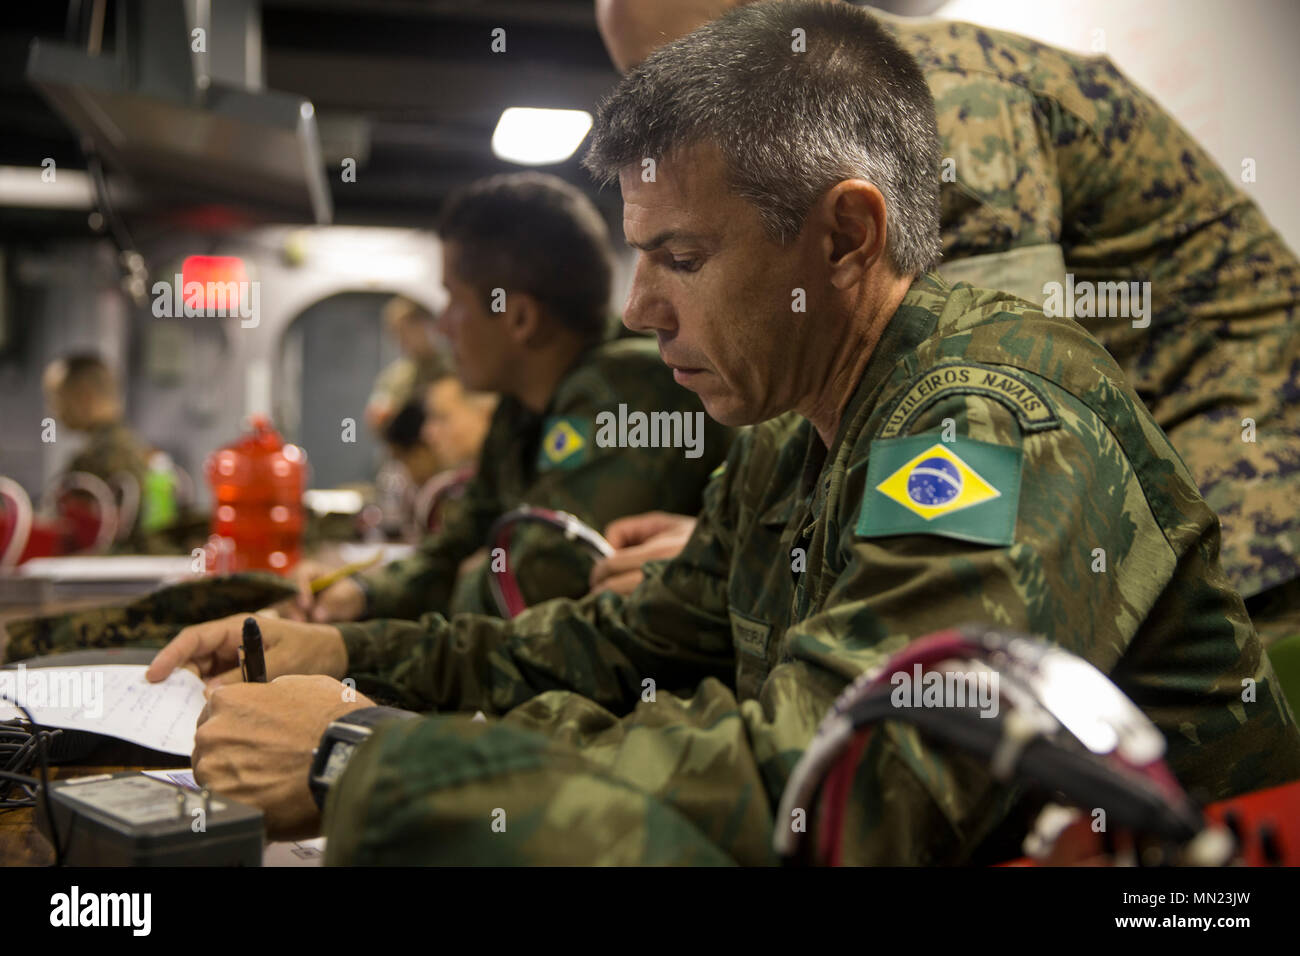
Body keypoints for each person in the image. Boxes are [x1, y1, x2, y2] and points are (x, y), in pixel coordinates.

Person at [149, 1, 1300, 864]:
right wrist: (353, 662)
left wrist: (357, 759)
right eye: (638, 257)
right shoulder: (783, 423)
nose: (642, 312)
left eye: (682, 260)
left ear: (846, 237)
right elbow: (631, 647)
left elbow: (843, 783)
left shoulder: (986, 419)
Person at [595, 0, 1300, 646]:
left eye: (679, 63)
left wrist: (763, 557)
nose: (660, 111)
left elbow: (994, 400)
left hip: (1243, 445)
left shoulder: (949, 109)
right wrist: (739, 548)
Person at [287, 171, 730, 622]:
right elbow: (459, 543)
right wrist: (363, 592)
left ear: (519, 318)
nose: (443, 327)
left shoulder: (627, 393)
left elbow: (531, 588)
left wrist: (467, 578)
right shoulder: (522, 407)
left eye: (454, 301)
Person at [41, 353, 156, 551]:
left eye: (57, 399)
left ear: (84, 397)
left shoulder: (96, 458)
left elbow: (64, 531)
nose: (54, 411)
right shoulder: (136, 446)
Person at [363, 296, 451, 436]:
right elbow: (377, 416)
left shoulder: (454, 365)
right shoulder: (396, 378)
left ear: (423, 325)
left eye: (405, 331)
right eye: (396, 335)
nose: (402, 341)